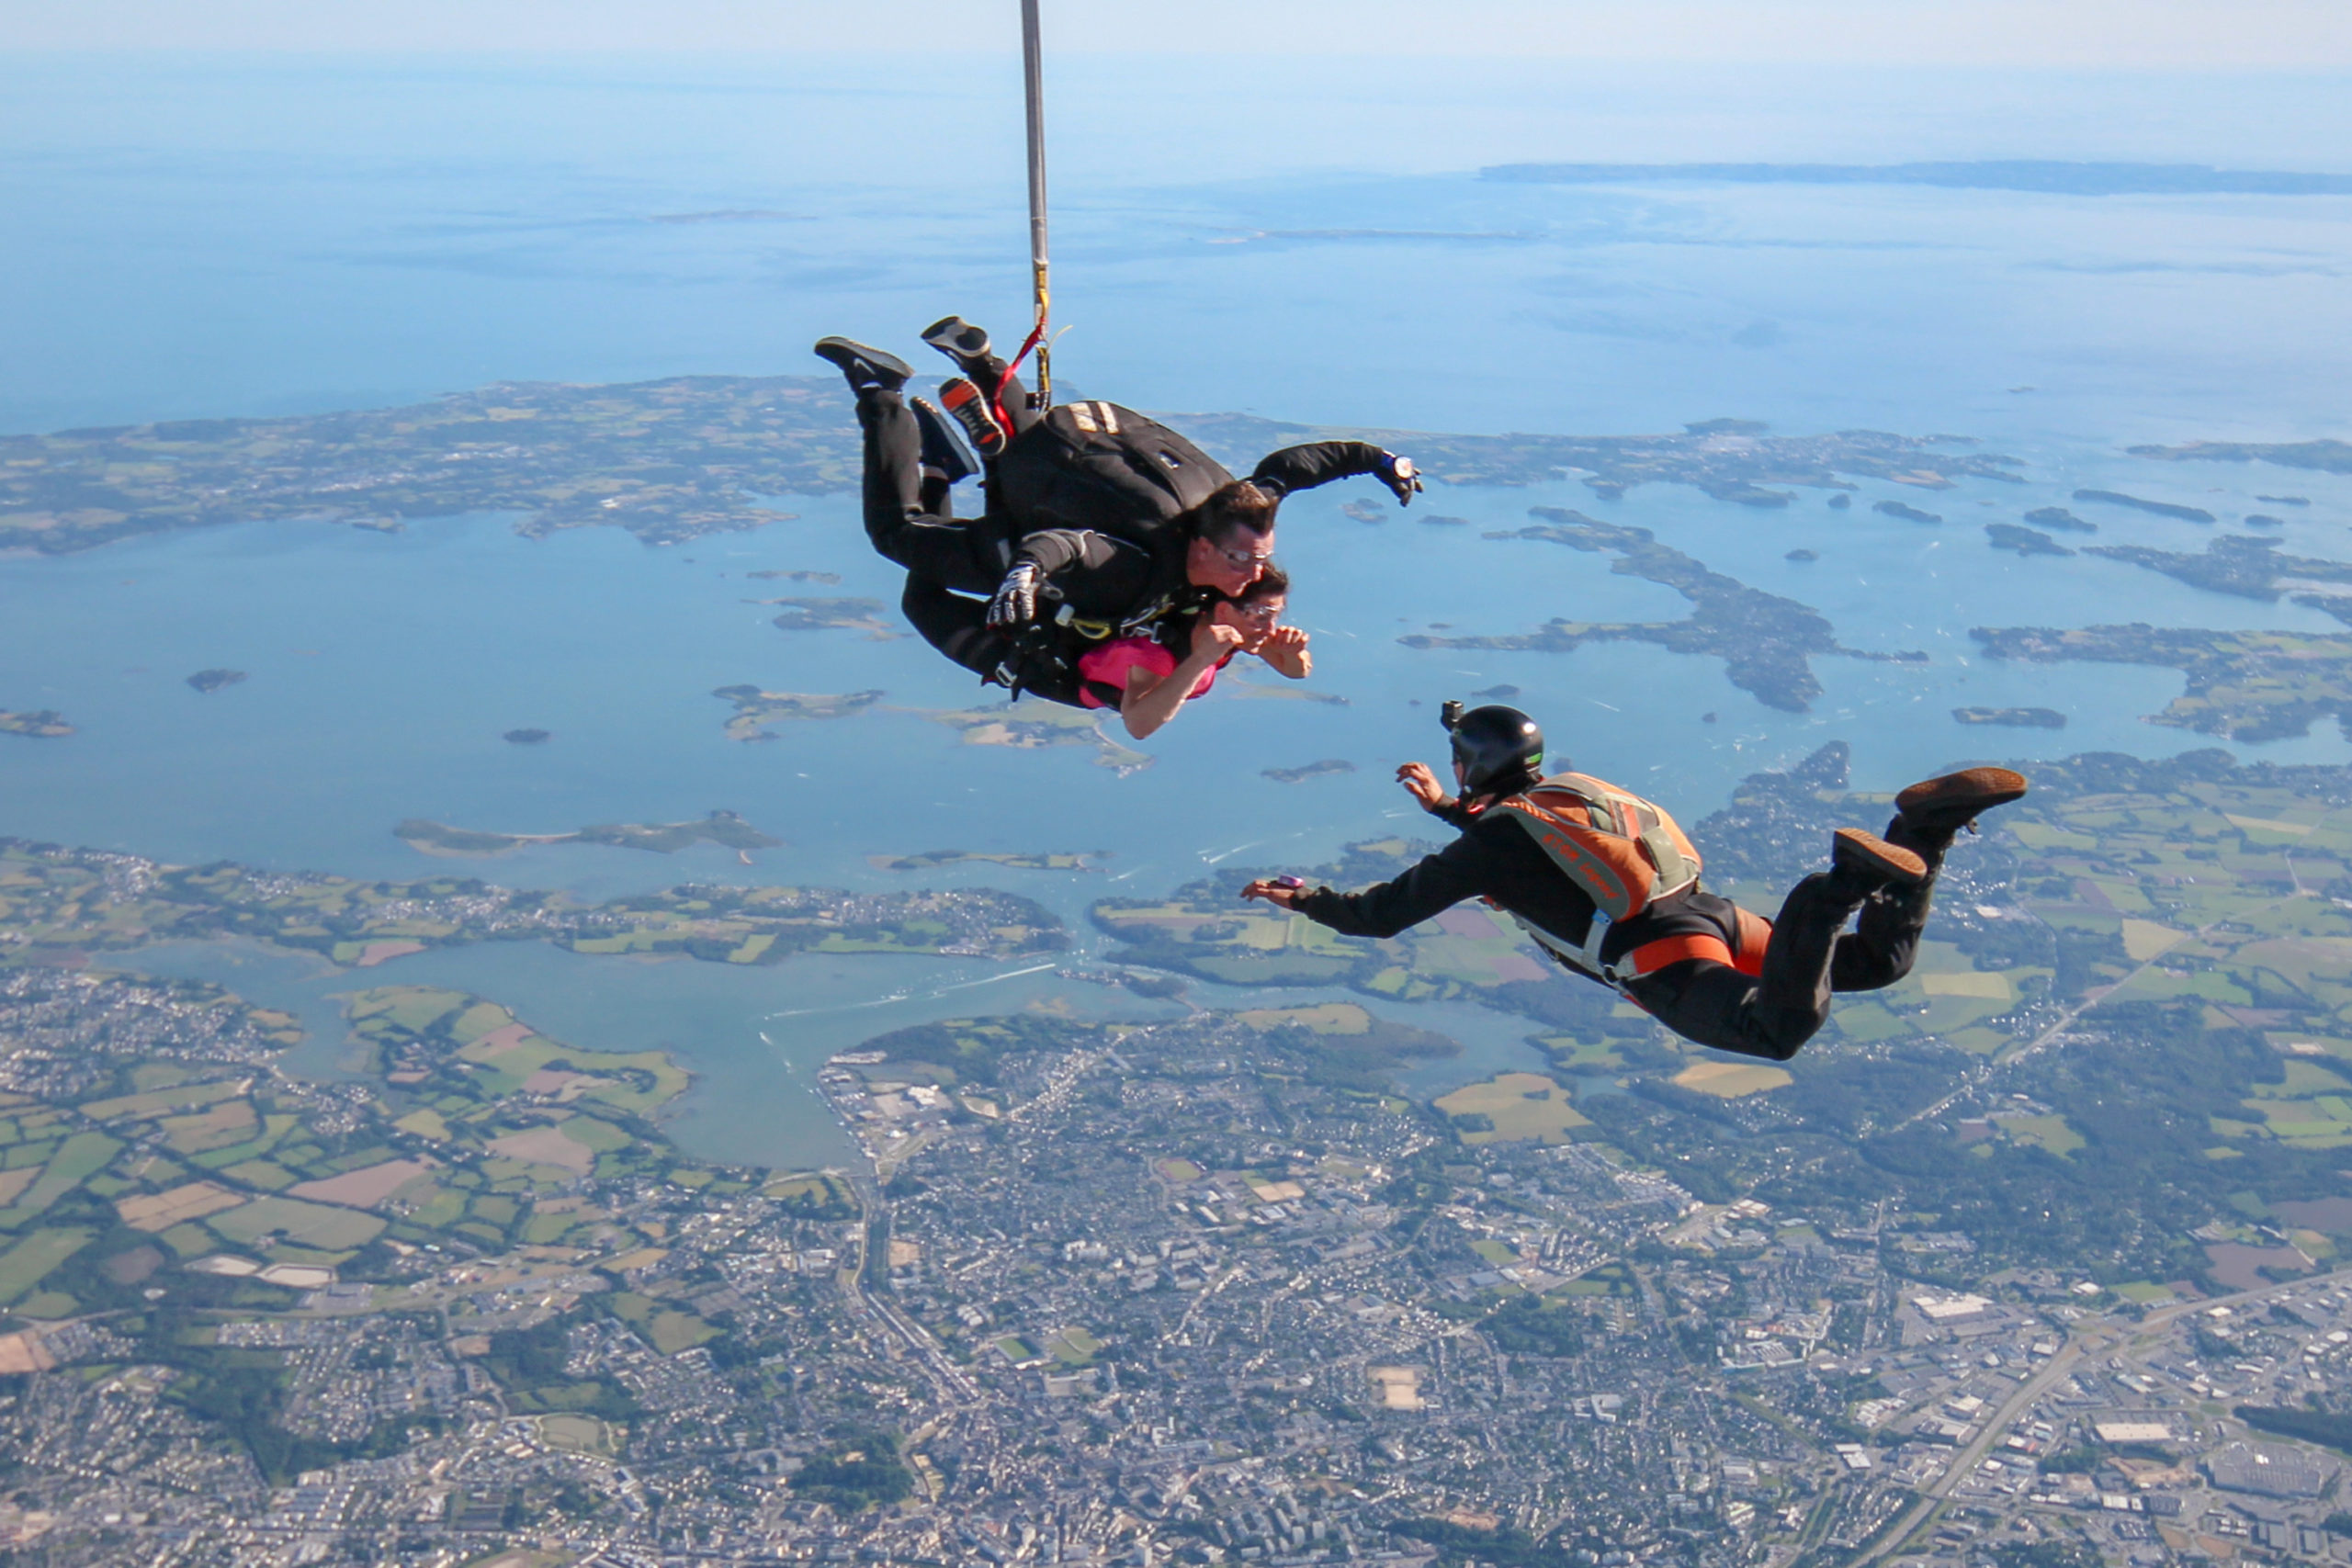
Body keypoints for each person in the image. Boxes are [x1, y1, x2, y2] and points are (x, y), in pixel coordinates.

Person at [1240, 702, 2028, 1064]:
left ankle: (1838, 886)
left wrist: (1304, 895)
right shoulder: (1558, 799)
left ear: (1472, 768)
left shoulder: (1488, 846)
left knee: (1778, 1031)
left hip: (1665, 957)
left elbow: (1379, 916)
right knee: (1876, 963)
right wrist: (1451, 811)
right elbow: (1536, 856)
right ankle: (1924, 831)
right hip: (1709, 915)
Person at [811, 320, 1422, 667]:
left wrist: (1379, 459)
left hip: (1075, 447)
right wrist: (1024, 574)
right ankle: (881, 394)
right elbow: (1068, 547)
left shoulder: (1235, 505)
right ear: (1203, 546)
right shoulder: (1138, 567)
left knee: (1032, 458)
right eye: (1240, 560)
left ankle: (989, 370)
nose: (1252, 571)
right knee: (894, 534)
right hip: (1023, 536)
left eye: (1260, 557)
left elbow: (1295, 466)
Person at [904, 564, 1306, 739]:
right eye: (1263, 615)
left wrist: (1293, 654)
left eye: (1276, 615)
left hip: (1047, 629)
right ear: (1222, 609)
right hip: (1023, 655)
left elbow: (1294, 670)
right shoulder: (1152, 655)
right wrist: (1200, 660)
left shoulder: (1228, 630)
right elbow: (1140, 724)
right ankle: (937, 476)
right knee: (921, 601)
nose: (1269, 628)